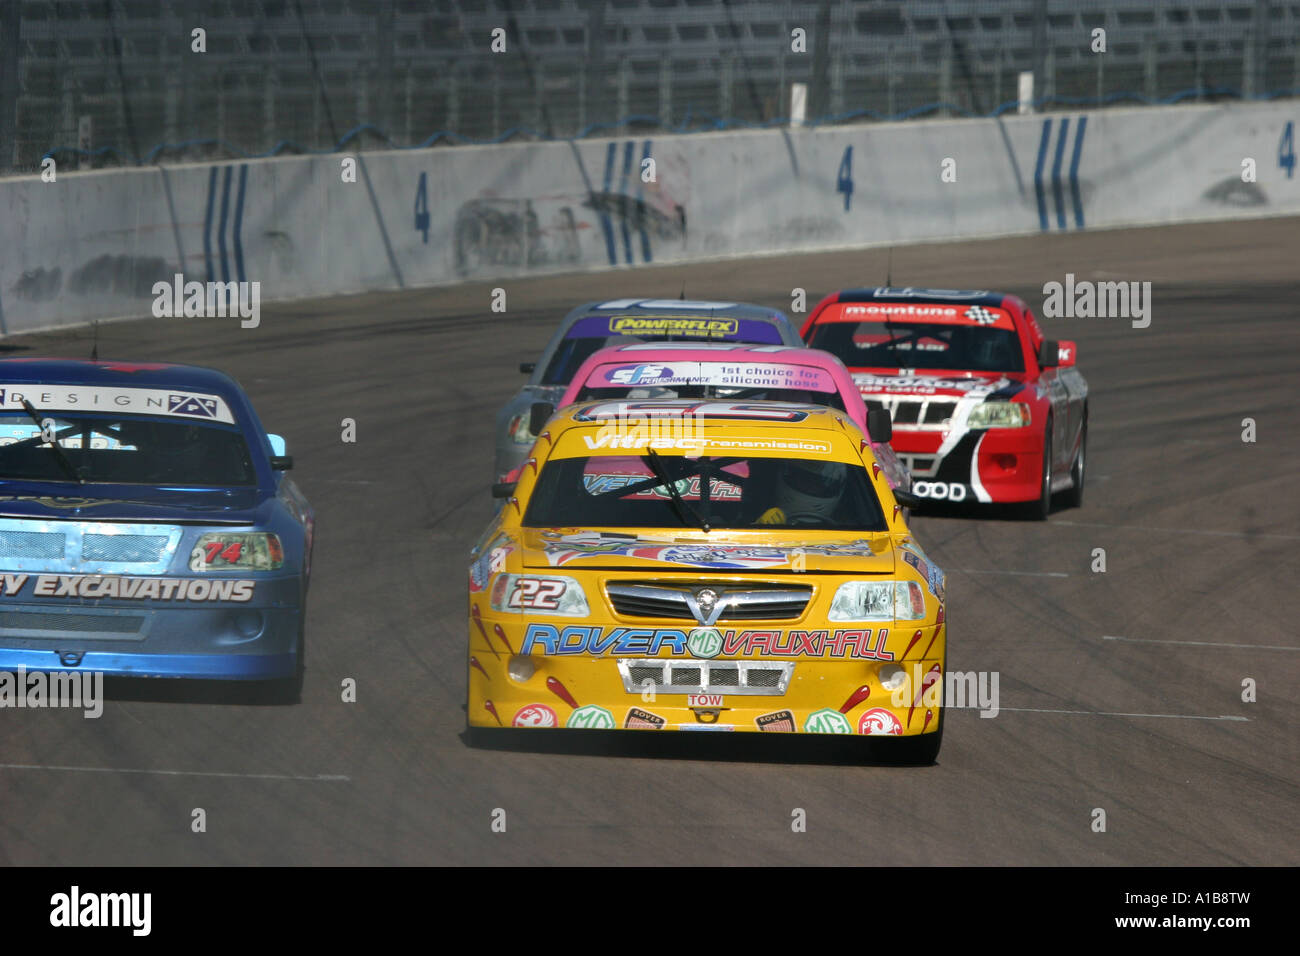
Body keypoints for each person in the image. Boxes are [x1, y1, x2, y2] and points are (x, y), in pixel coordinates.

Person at [754, 459, 847, 526]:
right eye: (803, 480)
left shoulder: (850, 528)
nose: (810, 487)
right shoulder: (765, 517)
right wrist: (759, 527)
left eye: (817, 483)